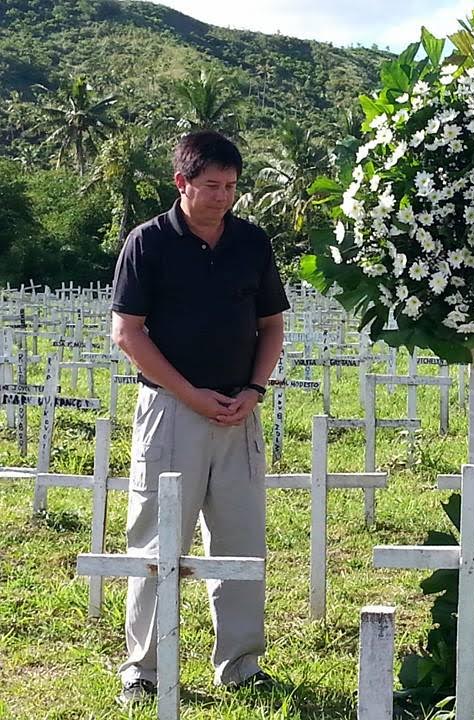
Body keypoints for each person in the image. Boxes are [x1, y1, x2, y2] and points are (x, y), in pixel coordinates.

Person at [110, 130, 289, 705]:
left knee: (240, 543)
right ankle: (146, 669)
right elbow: (128, 333)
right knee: (156, 542)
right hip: (171, 410)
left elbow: (272, 326)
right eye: (211, 185)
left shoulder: (252, 243)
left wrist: (256, 390)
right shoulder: (149, 243)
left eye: (232, 186)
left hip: (238, 412)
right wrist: (190, 394)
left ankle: (240, 665)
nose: (223, 197)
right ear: (181, 183)